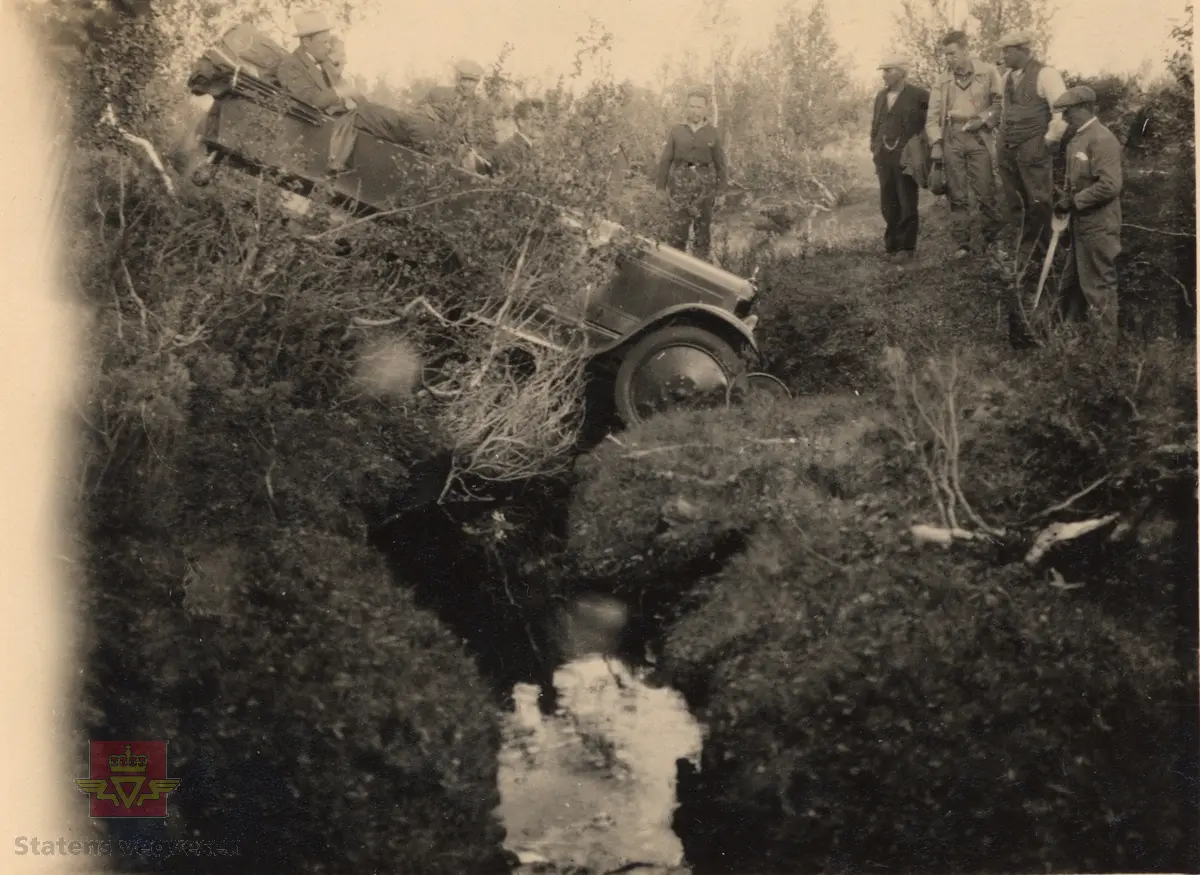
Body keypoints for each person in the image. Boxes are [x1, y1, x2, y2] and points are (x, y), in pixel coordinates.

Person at [275, 11, 437, 149]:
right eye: (323, 42)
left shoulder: (323, 63)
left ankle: (424, 134)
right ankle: (427, 136)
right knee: (389, 119)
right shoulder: (290, 66)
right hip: (330, 125)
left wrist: (364, 102)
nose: (329, 47)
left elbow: (350, 92)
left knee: (382, 114)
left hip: (346, 118)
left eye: (328, 41)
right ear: (306, 42)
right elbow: (309, 101)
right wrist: (340, 92)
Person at [1052, 85, 1123, 341]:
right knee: (1071, 286)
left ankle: (1107, 352)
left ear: (1084, 108)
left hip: (1099, 226)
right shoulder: (1076, 141)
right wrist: (1064, 199)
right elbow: (1074, 182)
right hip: (1079, 226)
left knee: (1099, 287)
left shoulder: (1102, 139)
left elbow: (1110, 185)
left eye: (1068, 112)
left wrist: (1074, 201)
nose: (1065, 118)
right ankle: (1066, 340)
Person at [926, 30, 1005, 258]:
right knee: (957, 193)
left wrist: (983, 119)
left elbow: (999, 103)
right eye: (945, 55)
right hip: (952, 136)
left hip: (979, 136)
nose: (948, 59)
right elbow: (932, 115)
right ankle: (962, 244)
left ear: (965, 51)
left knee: (985, 189)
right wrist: (936, 143)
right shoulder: (942, 80)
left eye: (952, 54)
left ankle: (993, 241)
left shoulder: (988, 72)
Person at [996, 30, 1069, 250]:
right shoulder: (1006, 78)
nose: (1003, 56)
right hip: (1009, 147)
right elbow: (1004, 110)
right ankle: (1025, 245)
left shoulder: (1046, 74)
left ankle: (1045, 248)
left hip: (1034, 146)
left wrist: (1050, 139)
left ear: (1022, 50)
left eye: (1007, 51)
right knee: (1015, 198)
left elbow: (1061, 110)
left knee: (1039, 199)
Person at [870, 56, 929, 267]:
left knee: (907, 200)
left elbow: (930, 123)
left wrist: (921, 148)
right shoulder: (880, 96)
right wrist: (874, 149)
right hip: (883, 156)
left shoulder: (920, 95)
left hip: (907, 156)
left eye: (888, 70)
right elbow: (875, 125)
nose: (884, 75)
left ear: (901, 72)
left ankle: (906, 247)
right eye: (883, 71)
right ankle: (892, 245)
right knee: (888, 202)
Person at [654, 89, 727, 260]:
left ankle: (700, 273)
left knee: (702, 233)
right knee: (677, 232)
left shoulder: (713, 133)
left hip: (704, 189)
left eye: (699, 107)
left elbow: (721, 164)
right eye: (692, 106)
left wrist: (721, 191)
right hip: (679, 186)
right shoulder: (676, 131)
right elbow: (666, 160)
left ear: (706, 109)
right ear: (686, 107)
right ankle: (675, 270)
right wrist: (660, 187)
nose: (695, 110)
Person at [421, 59, 498, 156]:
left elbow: (490, 143)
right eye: (464, 80)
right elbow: (417, 117)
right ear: (458, 79)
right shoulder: (438, 94)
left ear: (477, 82)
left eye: (471, 81)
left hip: (464, 158)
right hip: (431, 150)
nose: (466, 85)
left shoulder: (483, 108)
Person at [491, 98, 545, 175]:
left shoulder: (533, 148)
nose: (540, 123)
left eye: (542, 119)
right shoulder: (508, 150)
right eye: (535, 119)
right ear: (521, 122)